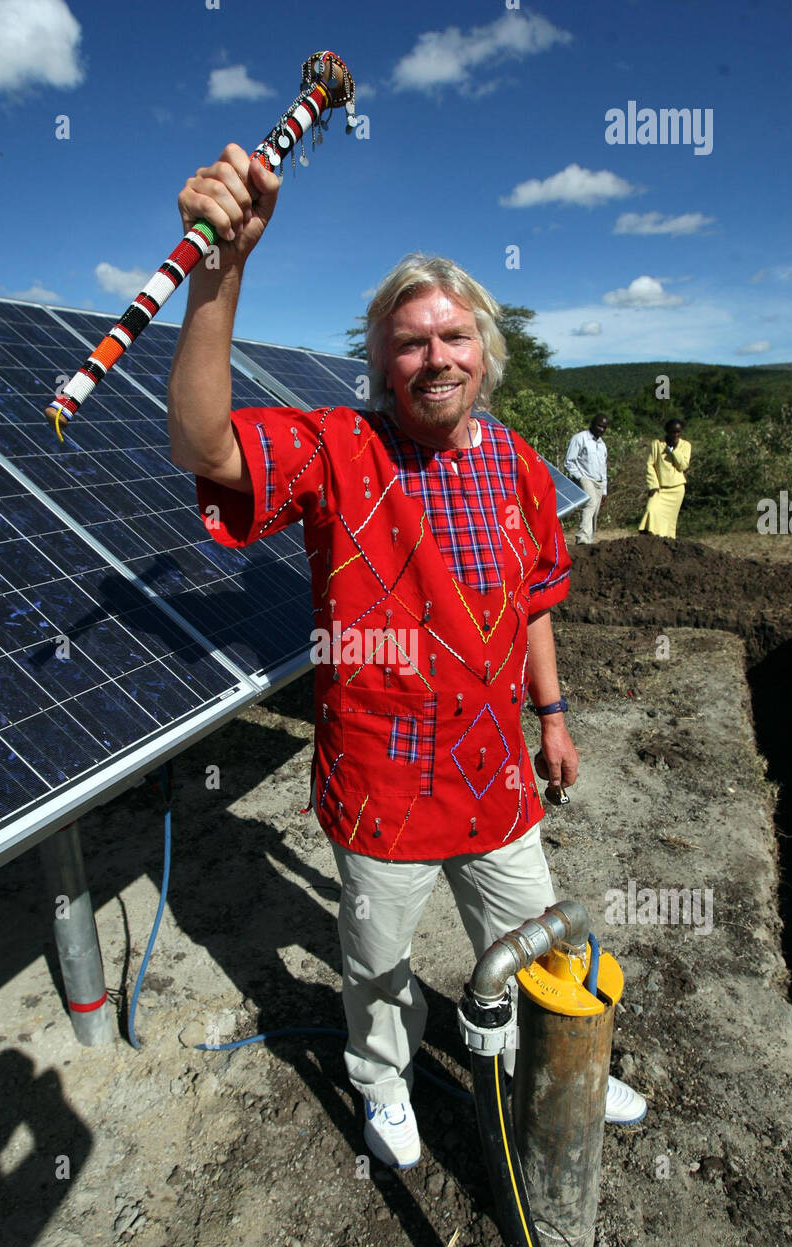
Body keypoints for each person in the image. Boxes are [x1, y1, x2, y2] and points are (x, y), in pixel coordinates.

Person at [167, 145, 646, 1167]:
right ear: (379, 363)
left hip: (494, 769)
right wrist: (220, 275)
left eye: (453, 335)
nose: (435, 357)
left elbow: (534, 605)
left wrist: (552, 717)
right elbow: (205, 449)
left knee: (544, 940)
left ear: (484, 350)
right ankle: (382, 1078)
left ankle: (565, 1065)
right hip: (380, 773)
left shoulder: (520, 466)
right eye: (408, 342)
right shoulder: (337, 451)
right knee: (377, 959)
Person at [639, 419, 691, 537]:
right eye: (673, 432)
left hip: (676, 489)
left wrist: (673, 450)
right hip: (659, 488)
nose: (676, 435)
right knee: (651, 510)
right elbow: (650, 465)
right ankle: (648, 538)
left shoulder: (685, 445)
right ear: (667, 431)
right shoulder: (657, 444)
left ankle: (666, 543)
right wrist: (653, 485)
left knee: (669, 521)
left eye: (678, 432)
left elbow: (682, 466)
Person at [564, 415, 609, 545]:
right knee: (590, 503)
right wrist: (579, 477)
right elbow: (569, 461)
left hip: (599, 481)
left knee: (595, 511)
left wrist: (604, 490)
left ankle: (589, 541)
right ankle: (582, 539)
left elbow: (603, 468)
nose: (601, 429)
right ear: (593, 423)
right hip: (585, 477)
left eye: (604, 427)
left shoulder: (602, 445)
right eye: (599, 425)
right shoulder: (580, 438)